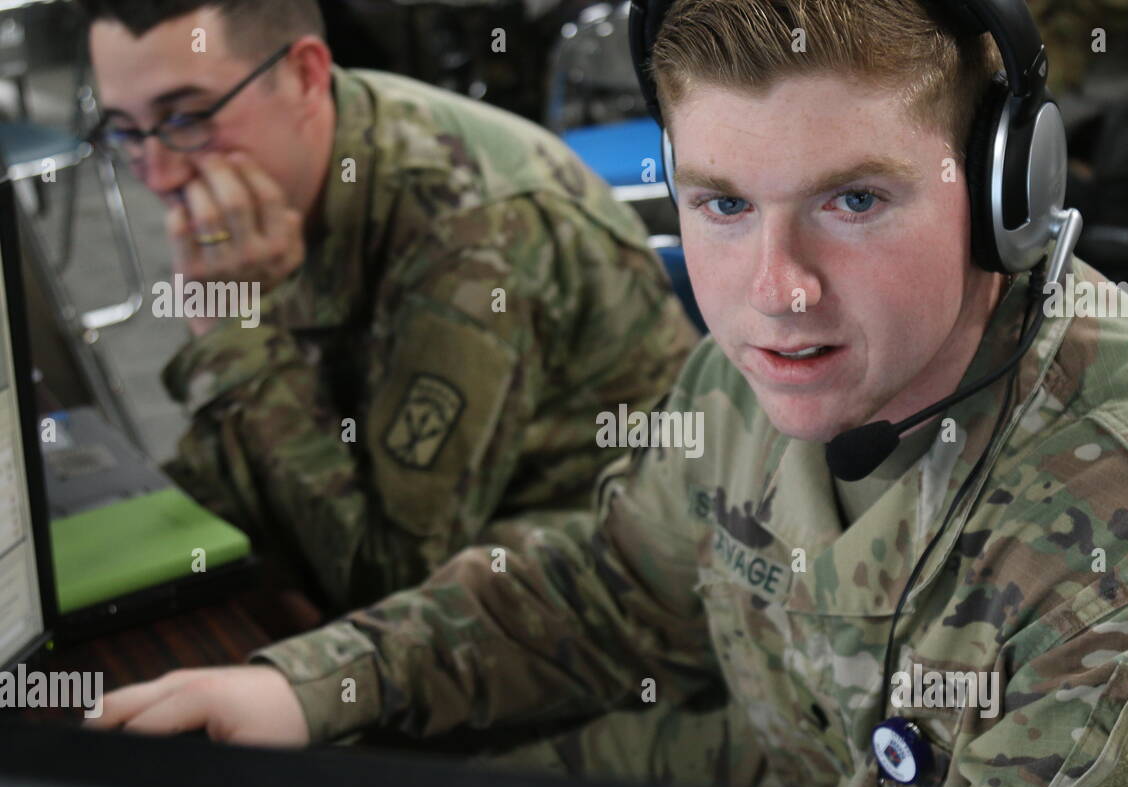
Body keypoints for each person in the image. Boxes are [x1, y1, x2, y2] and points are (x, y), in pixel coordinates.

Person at [92, 0, 1128, 787]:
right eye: (721, 203)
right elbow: (614, 586)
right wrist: (303, 688)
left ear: (1006, 198)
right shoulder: (754, 377)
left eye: (854, 199)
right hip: (795, 784)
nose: (775, 290)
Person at [79, 0, 698, 612]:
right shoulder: (301, 161)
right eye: (125, 132)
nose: (156, 175)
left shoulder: (473, 231)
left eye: (187, 117)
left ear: (304, 75)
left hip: (598, 608)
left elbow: (390, 581)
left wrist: (237, 331)